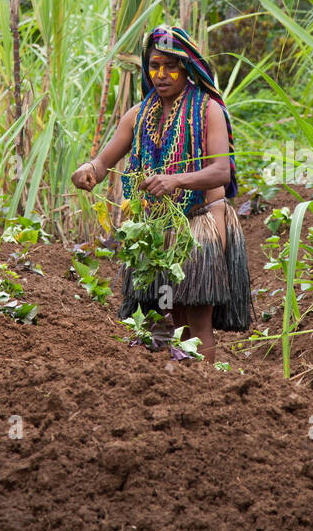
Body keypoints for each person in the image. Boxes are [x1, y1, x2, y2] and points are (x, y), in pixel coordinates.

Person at [72, 25, 252, 363]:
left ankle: (205, 390)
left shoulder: (208, 111)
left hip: (201, 223)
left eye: (171, 66)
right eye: (155, 66)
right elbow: (101, 163)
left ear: (188, 68)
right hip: (153, 229)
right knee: (161, 317)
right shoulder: (139, 115)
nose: (161, 74)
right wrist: (87, 172)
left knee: (196, 319)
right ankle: (166, 391)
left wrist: (175, 181)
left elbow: (221, 173)